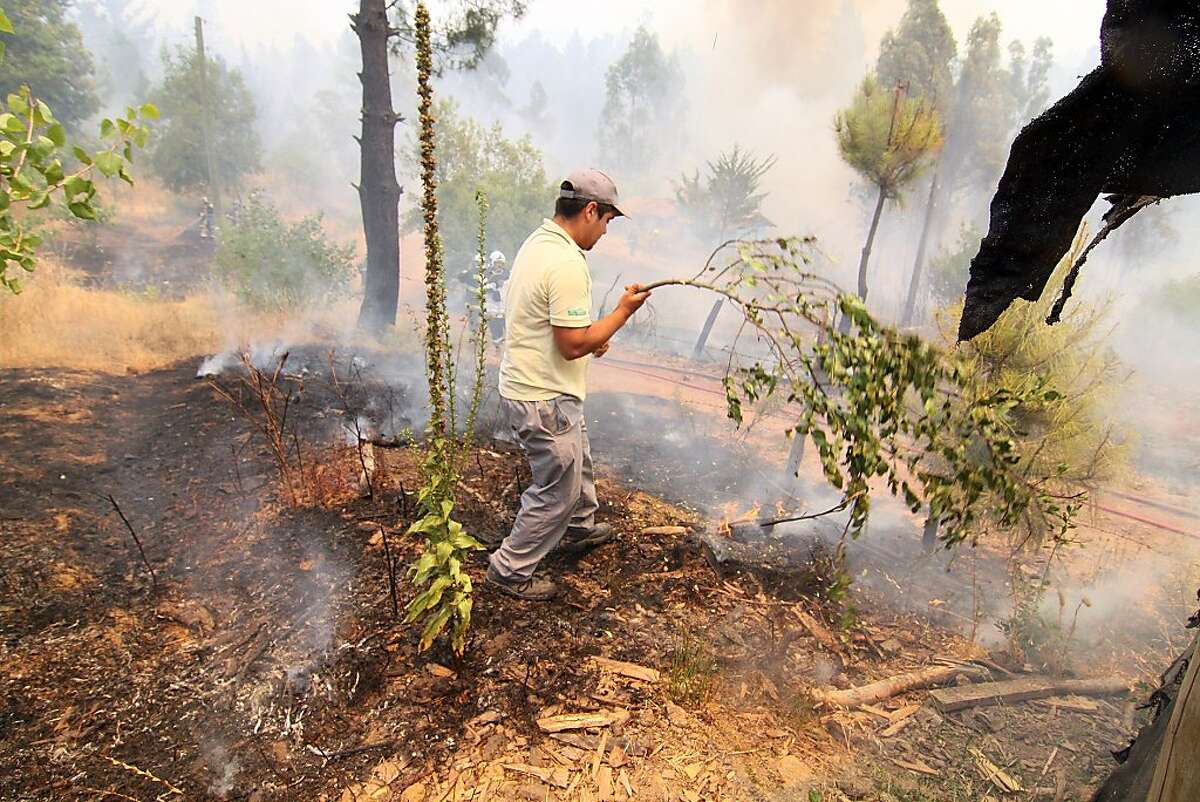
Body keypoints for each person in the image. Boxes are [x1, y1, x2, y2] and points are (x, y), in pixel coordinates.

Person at [487, 168, 651, 601]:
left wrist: (586, 336)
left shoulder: (539, 243)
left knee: (579, 459)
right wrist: (621, 314)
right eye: (608, 222)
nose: (605, 232)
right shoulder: (566, 263)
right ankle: (510, 569)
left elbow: (553, 324)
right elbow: (572, 345)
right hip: (544, 396)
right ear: (591, 210)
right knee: (556, 488)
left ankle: (578, 527)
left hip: (533, 384)